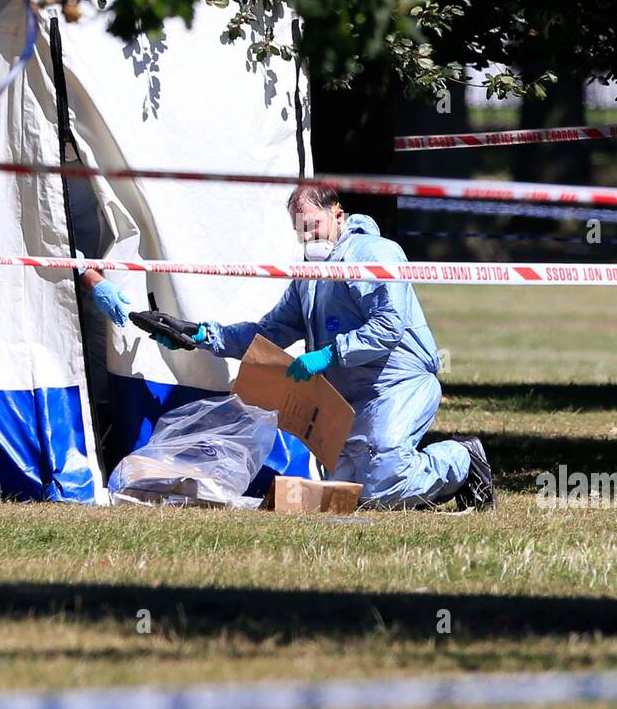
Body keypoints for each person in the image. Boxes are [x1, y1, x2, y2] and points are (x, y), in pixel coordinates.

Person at [158, 186, 493, 511]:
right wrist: (204, 336)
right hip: (348, 402)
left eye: (313, 225)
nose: (307, 237)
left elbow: (389, 326)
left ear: (338, 215)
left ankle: (461, 458)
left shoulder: (375, 254)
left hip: (397, 385)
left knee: (382, 482)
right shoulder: (308, 277)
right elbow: (269, 333)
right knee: (349, 496)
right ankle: (415, 486)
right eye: (299, 230)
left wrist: (329, 355)